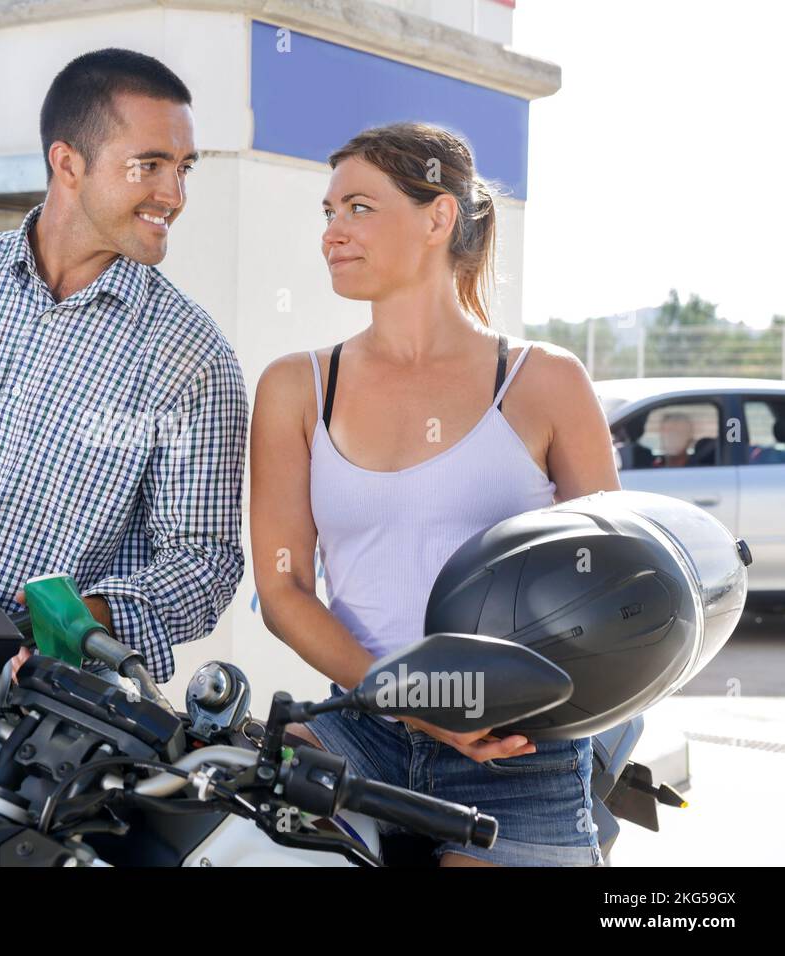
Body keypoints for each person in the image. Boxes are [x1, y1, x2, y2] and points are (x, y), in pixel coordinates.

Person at [0, 48, 248, 813]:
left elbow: (202, 563)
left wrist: (60, 621)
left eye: (185, 167)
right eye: (150, 165)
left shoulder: (193, 357)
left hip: (61, 720)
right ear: (69, 161)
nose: (175, 193)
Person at [249, 121, 621, 866]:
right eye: (328, 213)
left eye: (358, 207)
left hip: (518, 746)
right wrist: (406, 700)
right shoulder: (296, 387)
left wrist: (489, 703)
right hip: (356, 724)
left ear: (438, 216)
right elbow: (284, 587)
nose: (332, 233)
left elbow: (608, 590)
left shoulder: (545, 381)